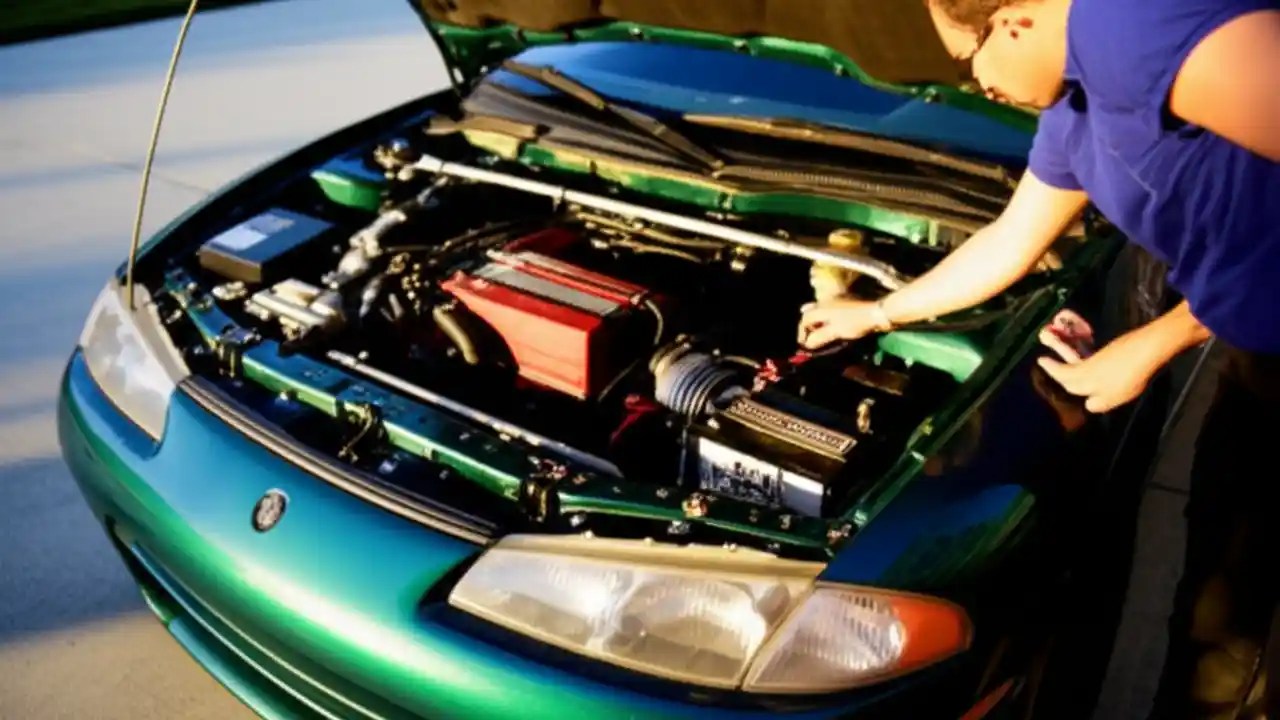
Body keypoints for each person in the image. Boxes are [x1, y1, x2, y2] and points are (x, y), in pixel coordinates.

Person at [796, 0, 1280, 716]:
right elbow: (1012, 241)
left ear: (1015, 18)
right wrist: (877, 312)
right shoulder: (1073, 112)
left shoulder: (1127, 26)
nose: (973, 82)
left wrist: (1156, 343)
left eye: (970, 59)